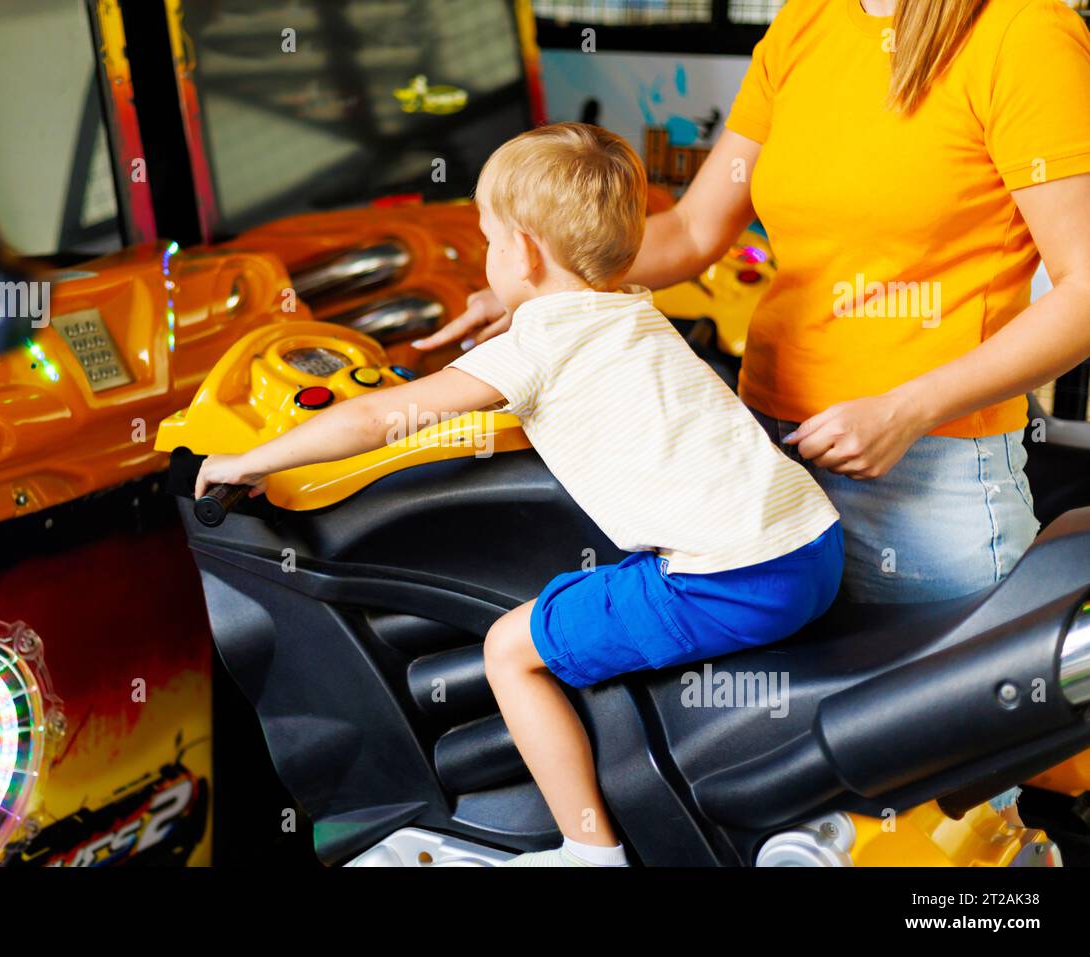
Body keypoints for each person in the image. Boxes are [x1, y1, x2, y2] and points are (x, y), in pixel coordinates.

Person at [413, 0, 1090, 818]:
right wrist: (546, 292)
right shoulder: (808, 22)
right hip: (764, 473)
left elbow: (1084, 292)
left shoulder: (1023, 33)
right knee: (812, 789)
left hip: (928, 472)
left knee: (952, 803)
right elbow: (698, 228)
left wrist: (907, 408)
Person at [196, 122, 844, 866]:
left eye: (490, 240)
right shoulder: (631, 306)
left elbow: (378, 416)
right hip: (811, 545)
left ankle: (586, 848)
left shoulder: (534, 348)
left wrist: (253, 457)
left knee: (510, 648)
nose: (490, 256)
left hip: (735, 578)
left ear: (526, 252)